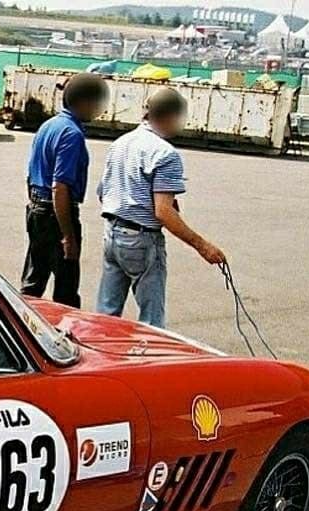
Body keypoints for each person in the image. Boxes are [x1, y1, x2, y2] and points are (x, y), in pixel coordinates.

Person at [95, 86, 225, 329]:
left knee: (106, 313)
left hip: (112, 233)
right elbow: (163, 212)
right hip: (141, 239)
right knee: (151, 318)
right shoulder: (166, 154)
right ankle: (150, 363)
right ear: (170, 116)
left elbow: (104, 192)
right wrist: (203, 246)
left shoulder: (121, 143)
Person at [20, 72, 109, 309]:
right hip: (55, 213)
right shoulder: (72, 134)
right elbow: (60, 186)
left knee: (33, 281)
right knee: (66, 288)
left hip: (37, 208)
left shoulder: (49, 125)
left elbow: (31, 173)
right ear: (84, 103)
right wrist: (68, 236)